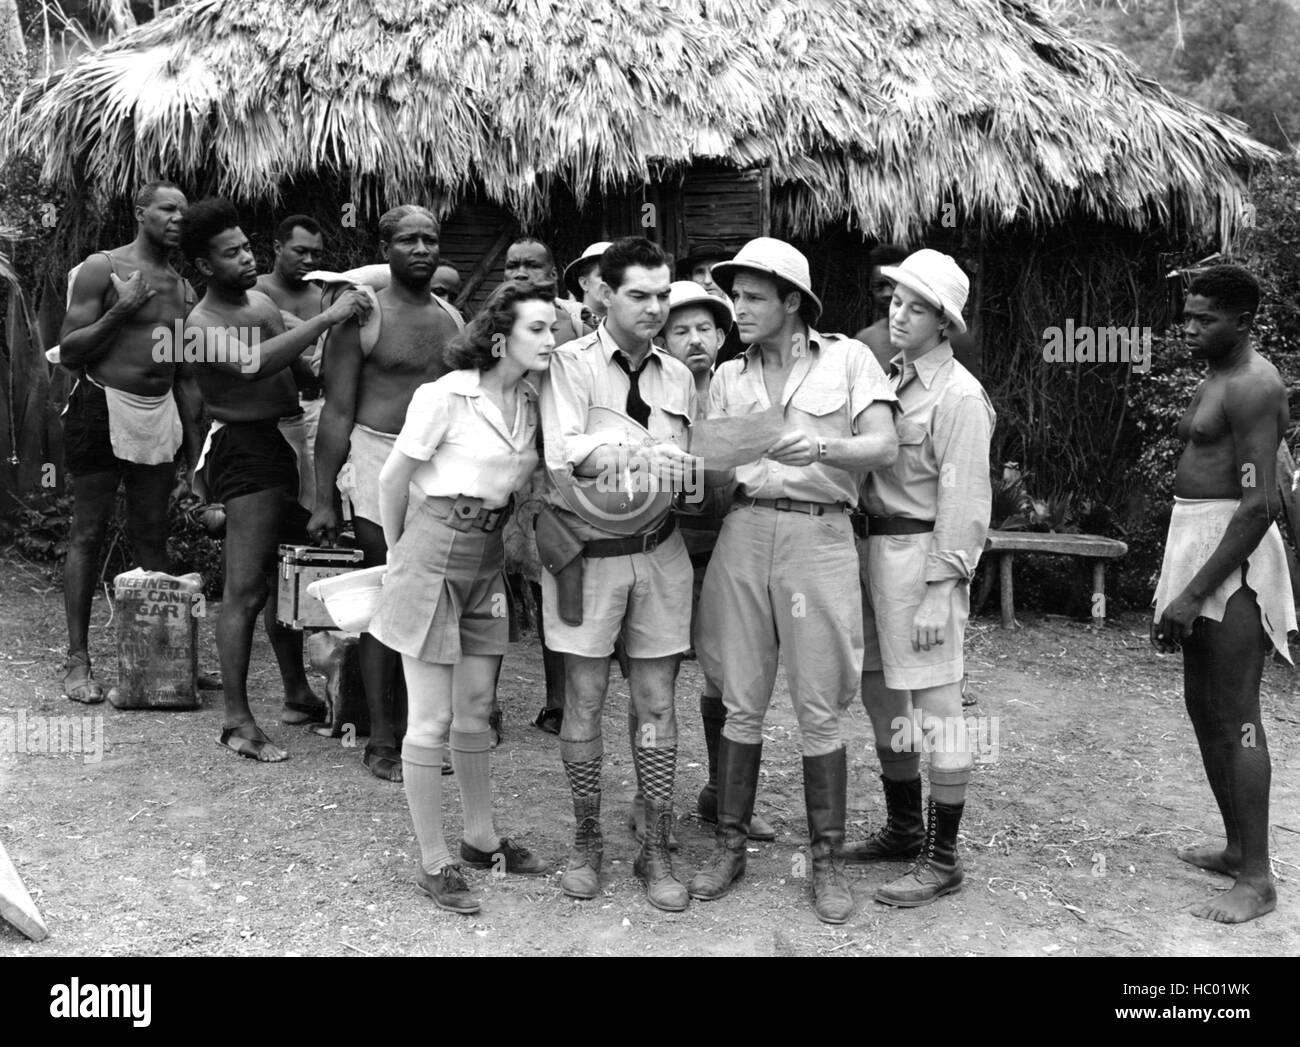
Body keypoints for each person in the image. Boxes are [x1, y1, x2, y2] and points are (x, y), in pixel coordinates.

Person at [689, 237, 899, 925]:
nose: (737, 308)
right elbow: (714, 469)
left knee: (820, 701)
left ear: (790, 301)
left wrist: (823, 447)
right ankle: (730, 841)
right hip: (745, 531)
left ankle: (827, 859)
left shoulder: (848, 358)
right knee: (739, 692)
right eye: (734, 295)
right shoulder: (727, 375)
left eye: (751, 297)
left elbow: (885, 445)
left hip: (821, 532)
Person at [368, 282, 556, 913]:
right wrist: (400, 556)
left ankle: (480, 838)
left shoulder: (531, 401)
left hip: (487, 557)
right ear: (500, 338)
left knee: (476, 709)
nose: (551, 341)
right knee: (432, 718)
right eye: (539, 329)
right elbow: (393, 479)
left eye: (553, 328)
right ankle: (434, 861)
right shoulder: (446, 395)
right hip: (432, 548)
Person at [539, 236, 699, 911]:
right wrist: (646, 453)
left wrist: (667, 466)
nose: (656, 307)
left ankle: (654, 844)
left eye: (664, 294)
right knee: (582, 700)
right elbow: (563, 453)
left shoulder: (679, 375)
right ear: (605, 293)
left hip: (661, 551)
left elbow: (687, 472)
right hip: (587, 556)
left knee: (657, 703)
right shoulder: (567, 365)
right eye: (640, 294)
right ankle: (585, 840)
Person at [181, 198, 372, 761]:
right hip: (244, 450)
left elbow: (300, 365)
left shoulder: (261, 301)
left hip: (286, 443)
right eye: (229, 253)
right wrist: (326, 319)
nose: (244, 258)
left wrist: (341, 357)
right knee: (244, 588)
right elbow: (252, 365)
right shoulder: (198, 326)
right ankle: (237, 722)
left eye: (245, 248)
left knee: (284, 573)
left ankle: (295, 693)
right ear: (203, 266)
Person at [845, 249, 994, 910]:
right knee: (881, 695)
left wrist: (942, 587)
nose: (897, 314)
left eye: (915, 305)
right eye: (894, 301)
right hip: (872, 553)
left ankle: (942, 856)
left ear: (944, 321)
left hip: (921, 558)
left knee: (938, 711)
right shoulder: (893, 379)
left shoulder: (958, 394)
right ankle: (905, 828)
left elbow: (965, 504)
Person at [1151, 264, 1294, 924]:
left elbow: (1261, 499)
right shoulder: (1218, 371)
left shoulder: (1255, 384)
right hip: (1196, 540)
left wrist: (1194, 591)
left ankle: (1259, 878)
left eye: (1205, 317)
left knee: (1237, 711)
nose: (1192, 327)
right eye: (1189, 315)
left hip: (1231, 555)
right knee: (1201, 703)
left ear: (1242, 320)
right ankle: (1238, 847)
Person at [308, 205, 461, 782]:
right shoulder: (364, 318)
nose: (422, 249)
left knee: (430, 600)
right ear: (386, 247)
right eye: (409, 240)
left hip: (436, 469)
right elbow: (338, 410)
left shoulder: (450, 317)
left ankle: (421, 733)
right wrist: (324, 497)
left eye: (430, 240)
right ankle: (380, 738)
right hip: (376, 459)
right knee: (388, 596)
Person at [626, 280, 777, 844]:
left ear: (723, 334)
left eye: (706, 329)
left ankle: (721, 794)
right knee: (652, 677)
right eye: (681, 330)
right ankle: (648, 798)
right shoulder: (656, 387)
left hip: (729, 545)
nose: (695, 340)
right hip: (665, 544)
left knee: (727, 676)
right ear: (662, 336)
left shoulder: (742, 384)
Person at [57, 180, 204, 703]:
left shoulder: (184, 288)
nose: (177, 218)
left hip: (157, 413)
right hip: (101, 404)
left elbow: (185, 376)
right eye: (167, 208)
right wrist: (121, 309)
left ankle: (163, 650)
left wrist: (194, 457)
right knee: (88, 533)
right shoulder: (105, 268)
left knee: (151, 534)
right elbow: (71, 351)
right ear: (140, 212)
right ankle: (78, 661)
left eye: (184, 212)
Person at [254, 215, 326, 511]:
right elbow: (259, 357)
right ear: (277, 247)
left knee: (315, 504)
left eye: (316, 254)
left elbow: (333, 363)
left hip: (319, 412)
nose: (309, 260)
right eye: (301, 251)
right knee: (267, 504)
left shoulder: (325, 298)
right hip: (269, 414)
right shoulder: (256, 292)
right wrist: (313, 343)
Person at [503, 237, 587, 341]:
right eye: (512, 266)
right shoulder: (494, 328)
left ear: (553, 275)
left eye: (533, 266)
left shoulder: (577, 330)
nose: (520, 274)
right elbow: (495, 355)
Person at [679, 240, 744, 368]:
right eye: (699, 272)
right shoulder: (679, 319)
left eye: (713, 272)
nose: (707, 281)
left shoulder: (743, 319)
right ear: (690, 277)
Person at [852, 243, 909, 371]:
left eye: (894, 284)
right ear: (870, 289)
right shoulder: (865, 341)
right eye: (879, 286)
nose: (887, 294)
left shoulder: (941, 337)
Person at [562, 241, 612, 327]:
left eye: (618, 276)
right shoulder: (569, 323)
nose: (612, 281)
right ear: (584, 283)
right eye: (603, 275)